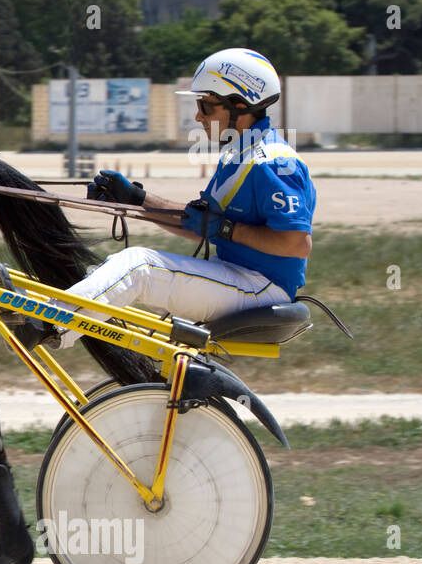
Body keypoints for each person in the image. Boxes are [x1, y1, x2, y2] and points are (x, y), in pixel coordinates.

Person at [16, 47, 317, 349]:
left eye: (206, 106)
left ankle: (47, 324)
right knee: (116, 271)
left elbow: (295, 243)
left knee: (137, 267)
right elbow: (197, 222)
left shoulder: (272, 162)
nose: (198, 116)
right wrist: (135, 199)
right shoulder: (240, 155)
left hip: (261, 287)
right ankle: (51, 315)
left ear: (239, 105)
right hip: (237, 277)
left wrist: (226, 230)